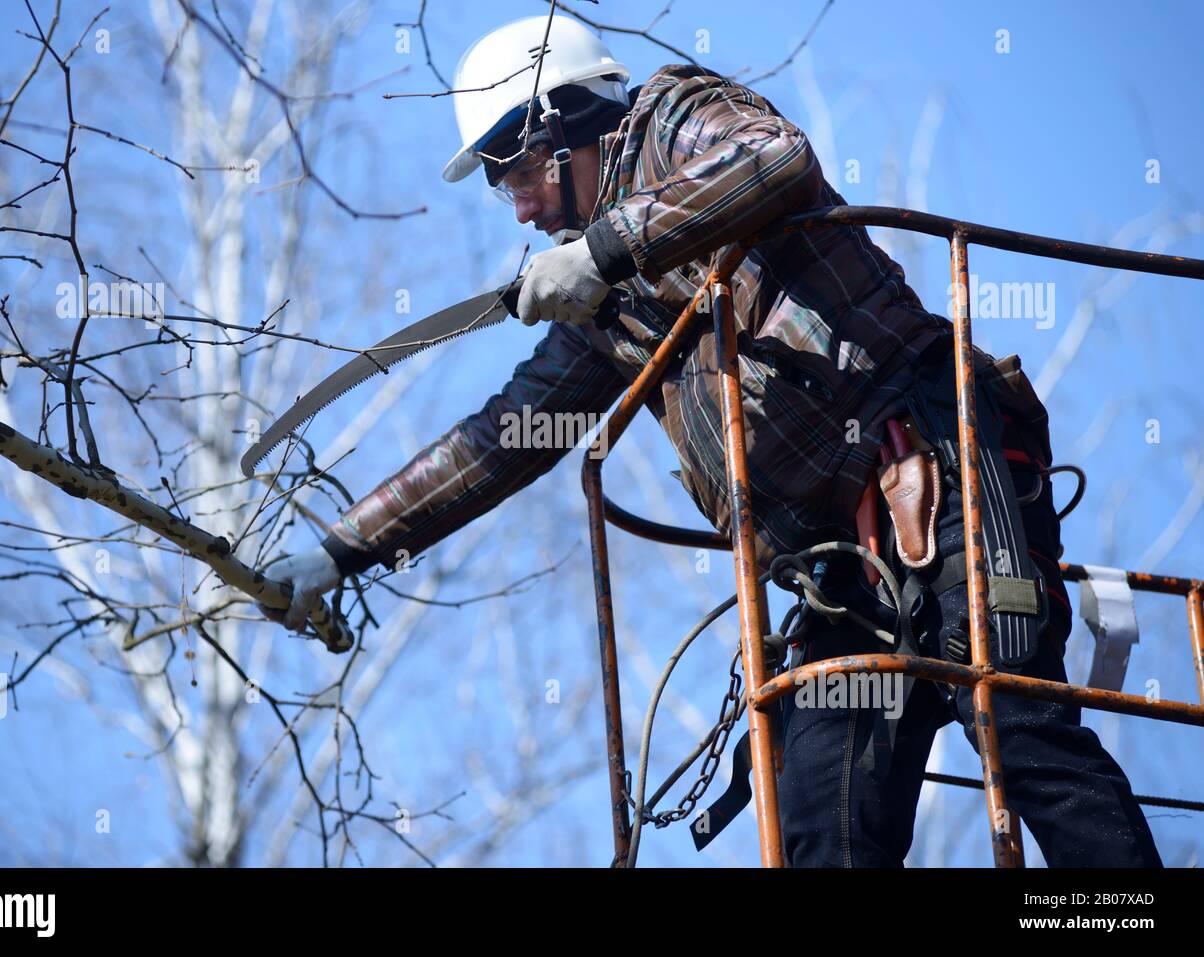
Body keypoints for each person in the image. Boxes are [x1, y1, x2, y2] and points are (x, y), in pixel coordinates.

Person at [259, 15, 1161, 867]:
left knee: (1016, 718)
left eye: (518, 173)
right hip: (840, 573)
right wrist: (344, 549)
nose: (523, 211)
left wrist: (610, 245)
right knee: (822, 819)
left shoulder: (674, 118)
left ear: (564, 125)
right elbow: (503, 440)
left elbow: (775, 160)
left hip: (938, 464)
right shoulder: (606, 315)